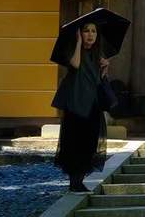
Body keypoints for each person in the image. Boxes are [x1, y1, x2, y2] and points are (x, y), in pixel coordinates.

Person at [52, 21, 110, 192]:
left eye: (93, 31)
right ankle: (74, 181)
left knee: (90, 142)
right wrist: (78, 42)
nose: (90, 34)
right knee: (74, 142)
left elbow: (98, 81)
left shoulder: (97, 55)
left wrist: (104, 69)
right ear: (80, 34)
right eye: (86, 31)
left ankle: (80, 179)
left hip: (92, 104)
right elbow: (75, 64)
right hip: (76, 104)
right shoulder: (73, 50)